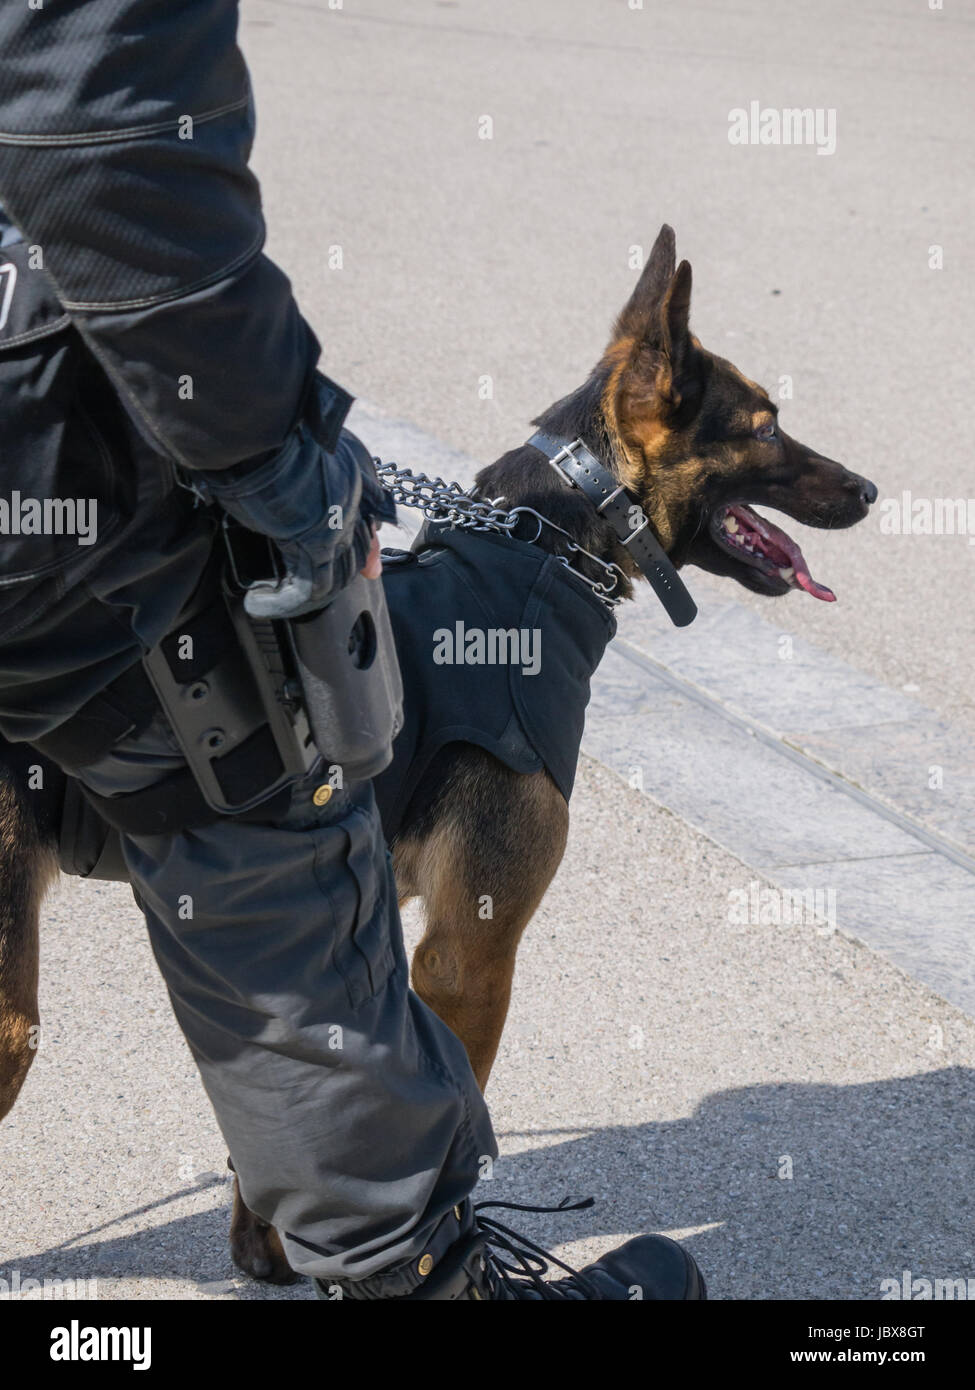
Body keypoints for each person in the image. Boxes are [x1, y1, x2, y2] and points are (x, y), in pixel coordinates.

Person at [0, 0, 705, 1300]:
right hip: (55, 470)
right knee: (271, 829)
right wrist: (282, 461)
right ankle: (408, 1270)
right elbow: (106, 142)